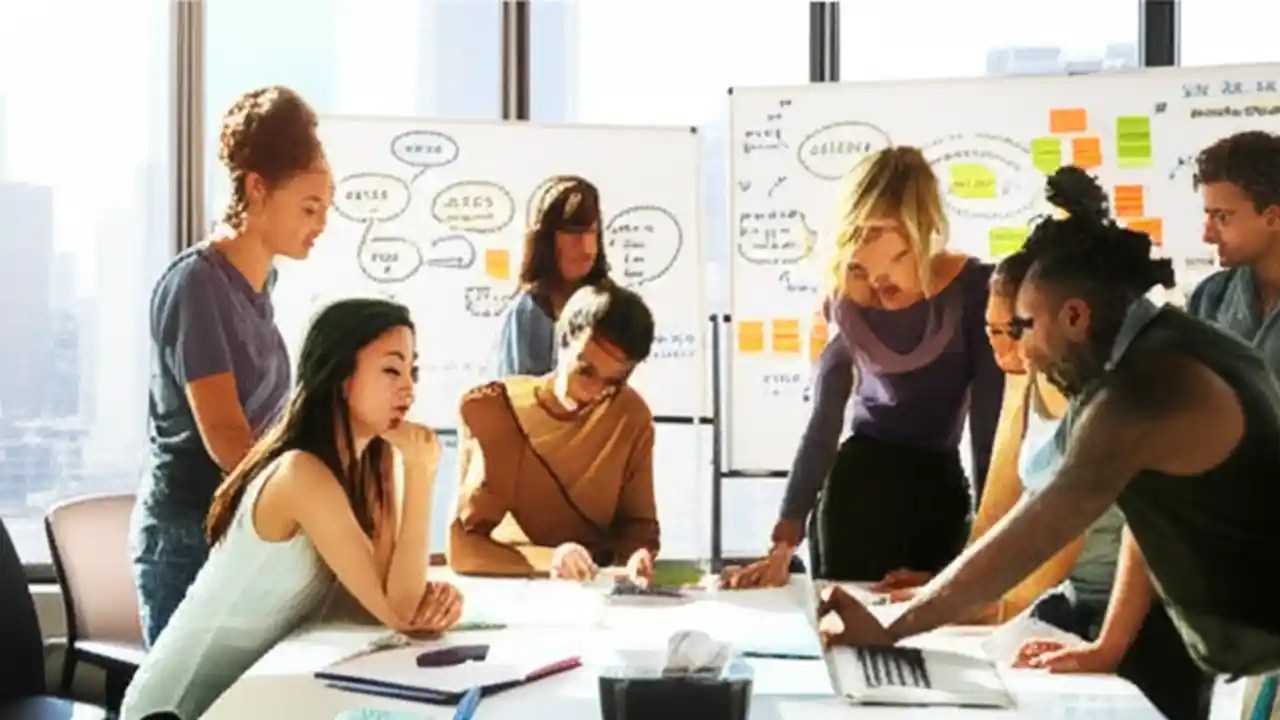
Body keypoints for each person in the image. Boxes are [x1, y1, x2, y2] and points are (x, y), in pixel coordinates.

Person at [815, 164, 1280, 691]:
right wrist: (1108, 646)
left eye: (1026, 326)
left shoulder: (1142, 393)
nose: (1024, 347)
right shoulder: (1164, 347)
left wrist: (892, 627)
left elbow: (1040, 527)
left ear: (1076, 317)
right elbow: (1148, 514)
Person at [1019, 132, 1280, 719]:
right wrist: (1110, 645)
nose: (1207, 232)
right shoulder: (1211, 302)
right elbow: (1156, 484)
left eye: (1222, 216)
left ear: (1274, 216)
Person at [121, 298, 462, 720]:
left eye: (413, 370)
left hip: (252, 697)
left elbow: (385, 603)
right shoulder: (300, 474)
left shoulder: (374, 465)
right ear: (339, 376)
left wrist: (434, 605)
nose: (409, 387)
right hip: (179, 707)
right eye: (392, 369)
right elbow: (401, 610)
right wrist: (422, 475)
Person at [722, 145, 1004, 587]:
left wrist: (983, 551)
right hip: (859, 492)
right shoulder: (847, 298)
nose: (878, 285)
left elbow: (991, 435)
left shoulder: (976, 291)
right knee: (848, 631)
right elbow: (823, 424)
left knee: (943, 634)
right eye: (864, 269)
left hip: (942, 491)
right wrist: (784, 539)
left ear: (926, 233)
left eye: (895, 264)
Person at [131, 85, 334, 645]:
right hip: (186, 538)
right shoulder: (197, 283)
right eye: (309, 208)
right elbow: (226, 435)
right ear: (257, 189)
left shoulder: (261, 284)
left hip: (233, 530)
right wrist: (301, 508)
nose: (319, 225)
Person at [875, 230, 1124, 630]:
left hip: (1102, 611)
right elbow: (997, 507)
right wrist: (950, 583)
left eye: (1013, 331)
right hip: (1057, 602)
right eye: (992, 332)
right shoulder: (1023, 377)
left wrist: (975, 605)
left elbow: (1064, 531)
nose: (1004, 348)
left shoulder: (1100, 396)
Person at [449, 283, 659, 582]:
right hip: (510, 590)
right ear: (562, 342)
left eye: (612, 382)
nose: (594, 391)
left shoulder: (630, 416)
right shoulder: (495, 409)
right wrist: (554, 559)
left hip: (597, 595)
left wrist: (638, 556)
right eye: (585, 371)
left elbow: (638, 527)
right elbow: (464, 549)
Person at [490, 175, 610, 378]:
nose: (587, 248)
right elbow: (520, 398)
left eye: (592, 232)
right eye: (574, 233)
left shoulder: (609, 305)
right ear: (546, 240)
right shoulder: (527, 313)